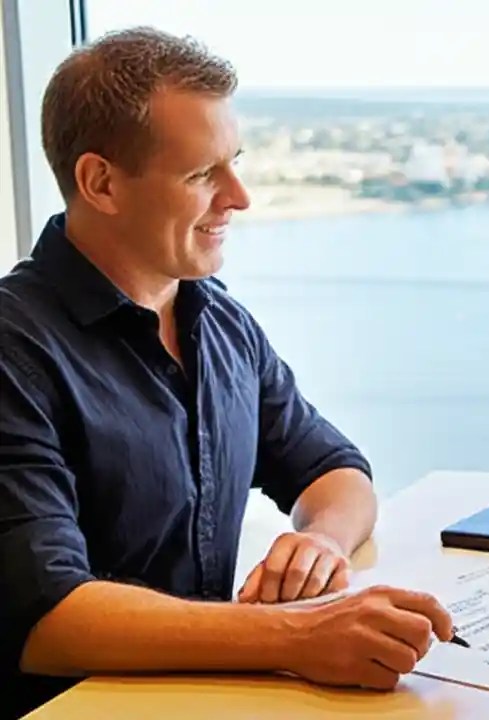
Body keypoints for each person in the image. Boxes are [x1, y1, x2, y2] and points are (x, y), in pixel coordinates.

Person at [0, 27, 453, 718]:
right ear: (100, 182)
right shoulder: (13, 350)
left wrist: (320, 543)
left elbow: (335, 469)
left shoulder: (218, 321)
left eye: (233, 163)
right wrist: (296, 635)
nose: (238, 197)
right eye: (201, 174)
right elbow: (47, 616)